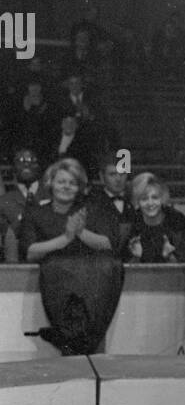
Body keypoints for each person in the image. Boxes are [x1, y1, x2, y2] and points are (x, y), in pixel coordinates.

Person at [18, 157, 123, 354]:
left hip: (92, 294)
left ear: (80, 187)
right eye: (61, 181)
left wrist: (81, 232)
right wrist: (66, 238)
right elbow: (30, 252)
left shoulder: (91, 210)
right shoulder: (35, 213)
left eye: (72, 183)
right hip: (55, 293)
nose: (66, 187)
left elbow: (107, 245)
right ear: (51, 183)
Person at [125, 173, 185, 263]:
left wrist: (170, 256)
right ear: (137, 201)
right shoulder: (131, 221)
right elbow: (124, 268)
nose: (150, 203)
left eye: (155, 198)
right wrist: (136, 257)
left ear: (162, 198)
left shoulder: (177, 221)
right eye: (144, 199)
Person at [87, 152, 135, 256]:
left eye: (122, 174)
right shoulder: (91, 202)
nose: (118, 179)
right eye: (112, 174)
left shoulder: (135, 201)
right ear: (101, 177)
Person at [0, 148, 41, 263]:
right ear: (13, 168)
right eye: (21, 160)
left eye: (31, 160)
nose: (26, 164)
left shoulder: (53, 196)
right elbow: (5, 236)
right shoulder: (3, 201)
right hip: (18, 262)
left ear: (38, 166)